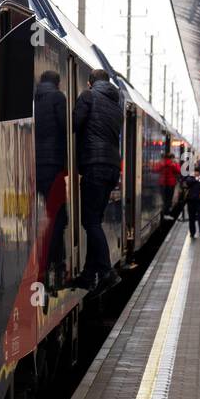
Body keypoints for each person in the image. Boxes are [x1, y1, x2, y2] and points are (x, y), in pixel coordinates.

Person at [74, 68, 124, 291]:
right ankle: (88, 274)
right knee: (95, 219)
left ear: (90, 83)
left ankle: (105, 271)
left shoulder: (88, 96)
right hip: (112, 168)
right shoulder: (116, 106)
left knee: (90, 221)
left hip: (95, 165)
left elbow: (74, 124)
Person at [34, 70, 69, 288]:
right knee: (58, 217)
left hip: (33, 165)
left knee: (44, 217)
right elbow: (66, 127)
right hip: (53, 165)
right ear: (57, 83)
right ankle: (53, 263)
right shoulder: (58, 98)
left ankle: (48, 262)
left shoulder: (33, 99)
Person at [182, 159, 200, 239]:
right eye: (195, 171)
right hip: (191, 201)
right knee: (191, 218)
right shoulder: (190, 178)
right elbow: (188, 182)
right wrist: (196, 178)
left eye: (197, 171)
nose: (196, 173)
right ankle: (192, 233)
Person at [157, 151, 181, 219]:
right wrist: (175, 164)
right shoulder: (173, 163)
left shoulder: (161, 163)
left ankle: (164, 211)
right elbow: (179, 171)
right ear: (172, 158)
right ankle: (166, 213)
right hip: (170, 184)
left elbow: (156, 169)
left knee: (164, 198)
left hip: (162, 183)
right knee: (169, 199)